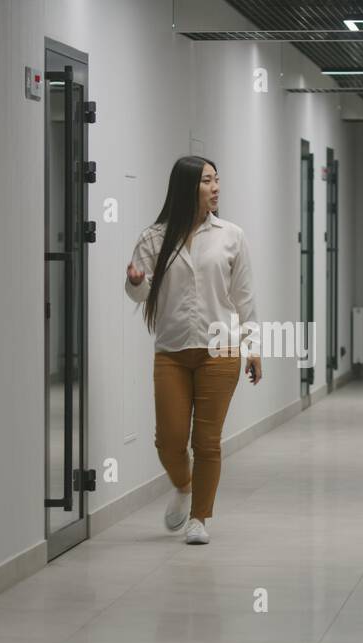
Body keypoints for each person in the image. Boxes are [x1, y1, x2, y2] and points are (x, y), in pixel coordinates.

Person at [125, 156, 261, 545]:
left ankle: (201, 518)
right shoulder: (154, 237)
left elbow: (245, 299)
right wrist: (135, 281)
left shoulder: (231, 235)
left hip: (221, 349)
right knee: (168, 440)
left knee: (206, 441)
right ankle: (183, 487)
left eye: (217, 180)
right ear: (188, 187)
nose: (216, 187)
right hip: (171, 349)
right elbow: (140, 290)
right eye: (207, 181)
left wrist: (253, 347)